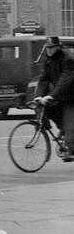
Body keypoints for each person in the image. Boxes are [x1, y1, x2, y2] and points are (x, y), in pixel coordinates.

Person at [35, 34, 74, 163]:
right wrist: (38, 96)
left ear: (58, 47)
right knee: (46, 110)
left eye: (51, 48)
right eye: (47, 48)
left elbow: (65, 80)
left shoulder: (68, 58)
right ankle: (65, 132)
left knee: (70, 126)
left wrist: (51, 96)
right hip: (61, 96)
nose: (48, 50)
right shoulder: (48, 60)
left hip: (71, 97)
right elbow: (43, 79)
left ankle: (70, 147)